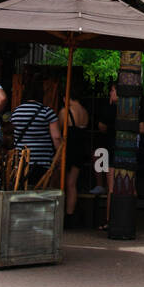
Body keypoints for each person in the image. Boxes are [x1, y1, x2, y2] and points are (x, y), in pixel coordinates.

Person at [10, 85, 61, 188]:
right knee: (39, 189)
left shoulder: (16, 112)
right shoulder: (47, 111)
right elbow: (56, 136)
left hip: (21, 159)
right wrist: (60, 155)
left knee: (22, 188)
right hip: (42, 159)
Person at [60, 81, 92, 222]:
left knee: (62, 182)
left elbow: (60, 129)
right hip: (80, 148)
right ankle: (70, 214)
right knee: (72, 183)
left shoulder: (65, 111)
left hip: (69, 148)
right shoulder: (84, 112)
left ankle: (62, 213)